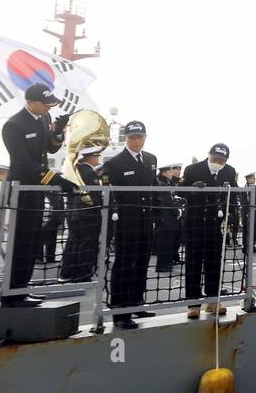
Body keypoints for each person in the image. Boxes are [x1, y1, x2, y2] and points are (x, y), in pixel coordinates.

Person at [0, 84, 73, 307]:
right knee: (20, 243)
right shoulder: (13, 125)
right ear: (30, 102)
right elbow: (23, 162)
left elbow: (51, 149)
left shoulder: (43, 118)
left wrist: (58, 130)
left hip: (36, 189)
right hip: (21, 190)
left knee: (31, 242)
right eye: (45, 103)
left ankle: (22, 289)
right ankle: (11, 295)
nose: (49, 107)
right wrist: (55, 179)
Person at [103, 121, 159, 328]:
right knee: (125, 264)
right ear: (125, 139)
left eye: (140, 137)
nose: (137, 141)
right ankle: (120, 311)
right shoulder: (115, 163)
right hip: (127, 220)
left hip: (145, 220)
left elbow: (154, 187)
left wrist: (160, 212)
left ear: (145, 137)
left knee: (142, 262)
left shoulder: (151, 159)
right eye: (132, 137)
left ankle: (136, 303)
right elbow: (109, 191)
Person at [180, 143, 239, 319]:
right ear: (209, 155)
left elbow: (234, 192)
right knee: (194, 263)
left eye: (222, 160)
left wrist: (232, 214)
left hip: (216, 224)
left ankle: (213, 301)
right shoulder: (192, 170)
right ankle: (193, 304)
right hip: (196, 223)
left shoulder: (229, 171)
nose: (218, 162)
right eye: (215, 159)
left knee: (214, 263)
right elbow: (180, 190)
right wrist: (192, 190)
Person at [59, 146, 105, 283]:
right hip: (87, 213)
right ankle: (82, 274)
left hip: (74, 213)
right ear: (90, 157)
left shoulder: (75, 170)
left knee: (73, 242)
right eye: (97, 156)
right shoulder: (88, 172)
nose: (98, 159)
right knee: (87, 244)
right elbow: (95, 194)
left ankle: (67, 273)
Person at [154, 163, 183, 273]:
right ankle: (163, 265)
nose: (172, 174)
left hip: (170, 215)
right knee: (165, 241)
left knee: (171, 240)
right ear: (164, 173)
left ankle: (168, 262)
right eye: (170, 172)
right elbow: (166, 201)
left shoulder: (168, 183)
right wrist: (176, 211)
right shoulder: (162, 184)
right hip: (165, 216)